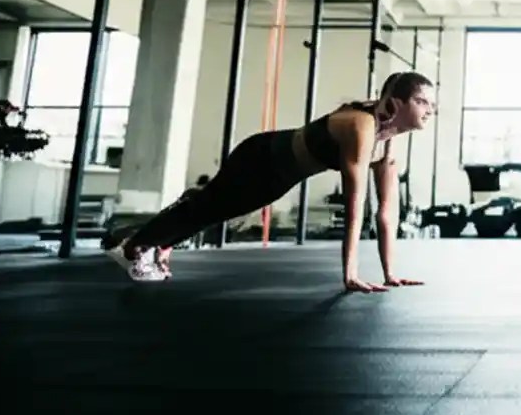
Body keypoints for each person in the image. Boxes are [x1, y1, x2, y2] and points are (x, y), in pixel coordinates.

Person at [105, 71, 437, 293]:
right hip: (263, 156)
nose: (430, 110)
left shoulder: (389, 141)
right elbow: (355, 208)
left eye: (432, 104)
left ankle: (159, 239)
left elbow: (386, 213)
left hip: (281, 176)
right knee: (209, 207)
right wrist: (350, 275)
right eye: (422, 102)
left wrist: (389, 273)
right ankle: (132, 246)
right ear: (396, 102)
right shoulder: (362, 127)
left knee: (215, 210)